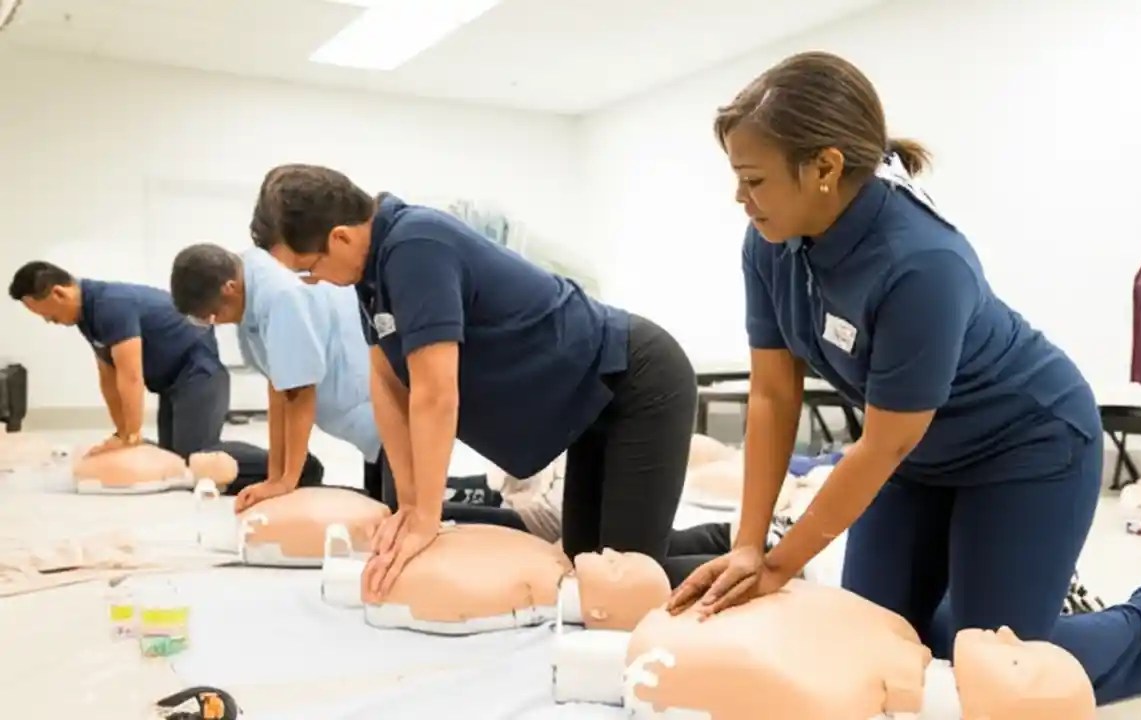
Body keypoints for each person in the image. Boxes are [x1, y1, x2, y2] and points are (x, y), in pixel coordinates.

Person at [666, 51, 1141, 705]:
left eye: (752, 179)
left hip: (1027, 444)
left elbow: (883, 443)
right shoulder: (768, 243)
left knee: (984, 668)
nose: (740, 197)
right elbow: (773, 393)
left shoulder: (922, 261)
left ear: (824, 168)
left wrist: (778, 568)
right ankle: (1025, 595)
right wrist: (748, 546)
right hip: (915, 460)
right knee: (880, 641)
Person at [246, 163, 698, 600]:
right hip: (592, 403)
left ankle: (754, 568)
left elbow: (436, 393)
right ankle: (731, 551)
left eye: (307, 269)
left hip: (636, 381)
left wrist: (428, 515)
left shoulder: (414, 246)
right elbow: (388, 384)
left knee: (622, 584)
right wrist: (409, 506)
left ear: (340, 237)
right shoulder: (371, 275)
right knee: (584, 563)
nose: (311, 282)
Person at [169, 242, 373, 511]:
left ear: (229, 288)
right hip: (357, 414)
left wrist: (288, 480)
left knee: (398, 509)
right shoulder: (247, 283)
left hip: (373, 409)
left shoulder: (281, 297)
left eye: (215, 315)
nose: (217, 322)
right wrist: (275, 477)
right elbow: (279, 386)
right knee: (382, 502)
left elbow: (300, 394)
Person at [8, 261, 230, 459]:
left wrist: (131, 436)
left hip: (199, 371)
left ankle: (263, 466)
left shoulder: (110, 305)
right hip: (172, 382)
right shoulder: (85, 316)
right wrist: (121, 433)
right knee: (172, 457)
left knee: (196, 457)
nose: (48, 321)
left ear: (59, 293)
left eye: (49, 315)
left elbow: (131, 375)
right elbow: (109, 376)